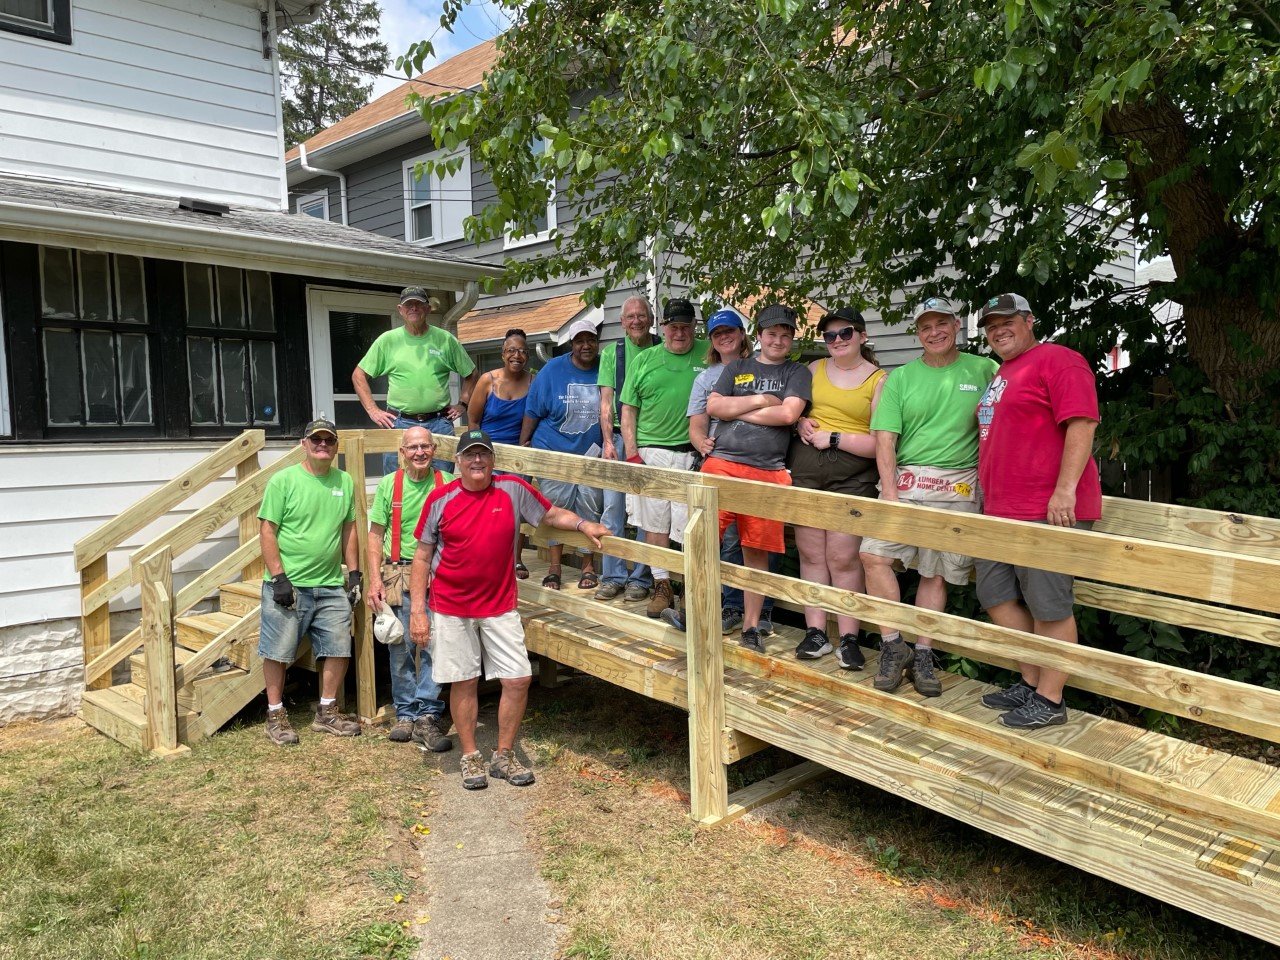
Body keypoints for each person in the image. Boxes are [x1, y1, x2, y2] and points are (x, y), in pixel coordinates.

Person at [408, 430, 610, 790]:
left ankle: (503, 754)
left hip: (499, 604)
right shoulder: (441, 499)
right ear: (457, 462)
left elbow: (549, 514)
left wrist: (583, 524)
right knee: (464, 680)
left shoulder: (512, 489)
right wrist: (418, 613)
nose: (477, 461)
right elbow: (421, 557)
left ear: (493, 460)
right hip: (451, 606)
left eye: (483, 454)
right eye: (469, 455)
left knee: (517, 678)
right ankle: (470, 756)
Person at [973, 293, 1102, 729]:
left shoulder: (1059, 360)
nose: (997, 330)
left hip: (1047, 509)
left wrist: (1065, 490)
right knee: (994, 595)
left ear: (1030, 320)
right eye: (990, 325)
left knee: (1049, 606)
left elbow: (1082, 422)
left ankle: (1051, 699)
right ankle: (1032, 681)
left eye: (1006, 321)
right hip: (1000, 508)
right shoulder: (1004, 372)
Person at [860, 297, 999, 697]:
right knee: (874, 556)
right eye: (925, 326)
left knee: (934, 572)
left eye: (941, 324)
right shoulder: (900, 378)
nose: (934, 332)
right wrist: (888, 493)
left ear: (957, 325)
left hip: (959, 483)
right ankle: (893, 645)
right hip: (907, 481)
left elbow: (1001, 427)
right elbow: (885, 438)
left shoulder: (985, 369)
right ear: (917, 333)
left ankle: (923, 653)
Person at [663, 308, 779, 636]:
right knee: (722, 539)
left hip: (760, 461)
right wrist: (702, 443)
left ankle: (762, 613)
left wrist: (733, 412)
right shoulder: (706, 377)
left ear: (742, 334)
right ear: (712, 341)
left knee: (760, 538)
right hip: (720, 461)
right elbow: (697, 423)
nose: (724, 337)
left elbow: (778, 407)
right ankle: (729, 607)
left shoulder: (764, 367)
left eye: (730, 330)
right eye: (717, 334)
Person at [702, 304, 812, 652]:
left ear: (791, 338)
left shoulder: (797, 371)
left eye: (785, 334)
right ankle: (700, 614)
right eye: (771, 333)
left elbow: (789, 414)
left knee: (757, 552)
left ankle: (751, 627)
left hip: (768, 470)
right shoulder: (737, 366)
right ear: (759, 336)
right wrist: (764, 399)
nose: (777, 340)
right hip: (721, 463)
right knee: (702, 541)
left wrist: (743, 407)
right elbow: (714, 407)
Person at [789, 307, 886, 667]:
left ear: (861, 335)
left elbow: (880, 442)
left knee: (844, 558)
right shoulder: (813, 371)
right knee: (812, 555)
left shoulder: (879, 380)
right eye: (830, 336)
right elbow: (794, 410)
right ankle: (816, 632)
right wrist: (800, 423)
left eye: (845, 333)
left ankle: (848, 637)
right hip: (807, 474)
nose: (837, 341)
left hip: (852, 479)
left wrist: (832, 437)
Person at [257, 417, 362, 746]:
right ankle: (275, 715)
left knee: (339, 647)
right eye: (316, 439)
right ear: (304, 444)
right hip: (290, 584)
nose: (322, 445)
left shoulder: (345, 482)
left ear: (335, 447)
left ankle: (327, 711)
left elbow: (349, 529)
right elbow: (267, 529)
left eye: (329, 441)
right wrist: (278, 577)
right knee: (277, 651)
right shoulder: (283, 481)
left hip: (330, 583)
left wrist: (355, 573)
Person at [619, 297, 709, 618]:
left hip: (693, 452)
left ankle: (687, 586)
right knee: (655, 523)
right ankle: (662, 585)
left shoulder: (708, 354)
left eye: (686, 326)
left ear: (694, 327)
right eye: (673, 327)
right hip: (652, 452)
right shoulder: (644, 360)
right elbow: (628, 409)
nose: (680, 333)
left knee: (690, 525)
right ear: (664, 327)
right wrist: (631, 454)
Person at [366, 426, 453, 750]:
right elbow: (375, 536)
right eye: (412, 447)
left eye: (425, 447)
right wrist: (375, 579)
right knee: (399, 646)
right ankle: (405, 712)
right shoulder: (390, 485)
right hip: (398, 573)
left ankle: (428, 715)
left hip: (439, 575)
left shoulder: (447, 483)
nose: (419, 452)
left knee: (434, 645)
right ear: (402, 453)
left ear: (434, 450)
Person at [353, 286, 478, 474]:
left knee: (442, 482)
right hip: (399, 422)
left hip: (439, 422)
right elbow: (359, 375)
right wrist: (372, 410)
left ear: (428, 309)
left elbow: (472, 374)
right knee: (396, 483)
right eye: (408, 305)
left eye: (418, 304)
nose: (413, 308)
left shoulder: (445, 340)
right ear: (400, 310)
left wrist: (463, 404)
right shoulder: (388, 341)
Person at [520, 319, 604, 590]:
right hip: (553, 450)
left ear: (597, 342)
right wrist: (524, 447)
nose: (586, 346)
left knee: (591, 507)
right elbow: (532, 411)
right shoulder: (553, 370)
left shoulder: (606, 368)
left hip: (591, 454)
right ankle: (554, 566)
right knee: (555, 508)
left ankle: (587, 566)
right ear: (571, 344)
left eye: (590, 340)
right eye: (579, 341)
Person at [596, 295, 659, 602]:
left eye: (641, 315)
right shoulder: (613, 353)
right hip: (620, 439)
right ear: (622, 322)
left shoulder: (663, 347)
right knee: (612, 509)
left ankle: (641, 579)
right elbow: (606, 402)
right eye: (630, 316)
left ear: (651, 318)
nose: (636, 321)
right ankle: (612, 575)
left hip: (652, 441)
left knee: (650, 513)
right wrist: (608, 441)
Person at [467, 328, 535, 578]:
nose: (517, 355)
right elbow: (473, 420)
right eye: (511, 350)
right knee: (487, 506)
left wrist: (530, 442)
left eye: (522, 351)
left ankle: (515, 560)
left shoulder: (533, 381)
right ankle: (487, 557)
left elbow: (537, 416)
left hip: (519, 455)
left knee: (514, 508)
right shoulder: (488, 380)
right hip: (488, 453)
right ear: (502, 353)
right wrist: (479, 453)